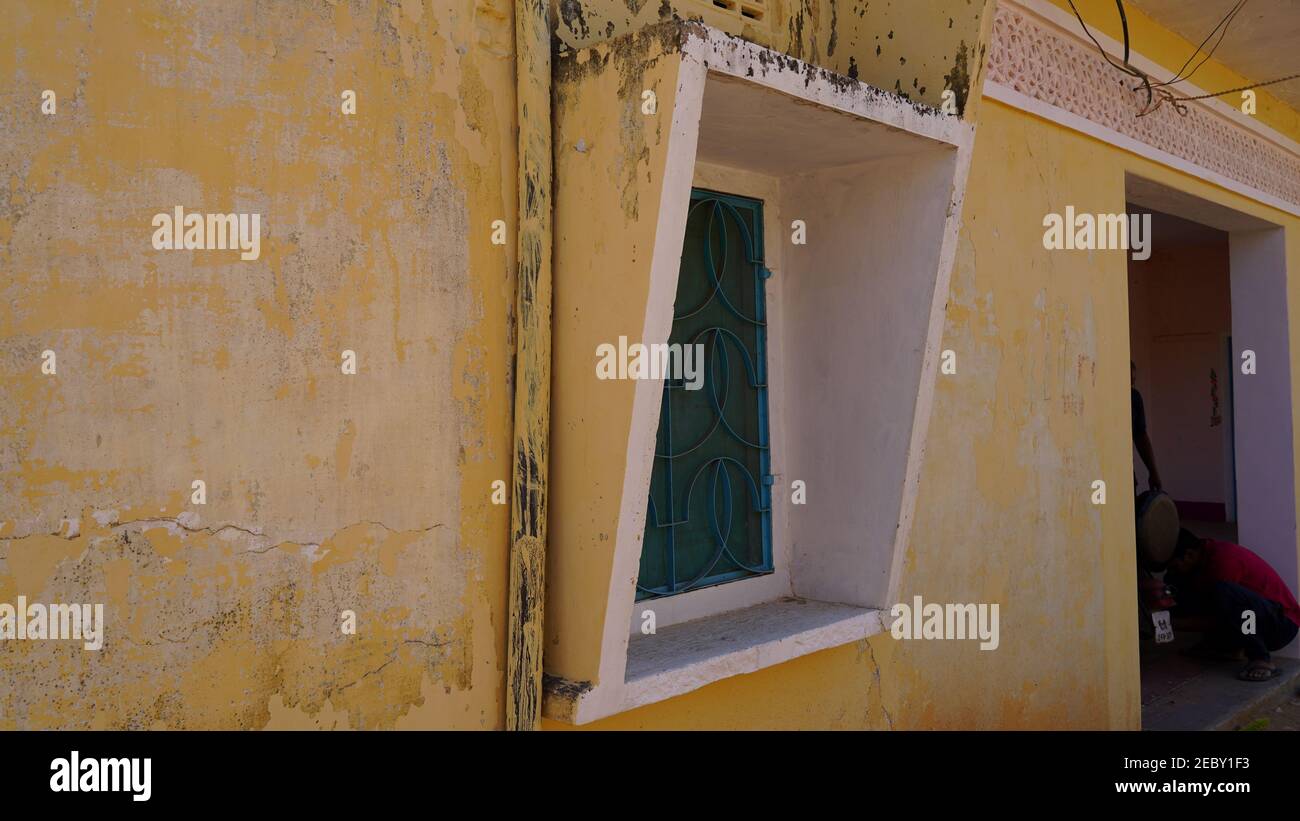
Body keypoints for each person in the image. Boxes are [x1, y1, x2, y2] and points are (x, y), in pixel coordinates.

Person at [1166, 528, 1300, 681]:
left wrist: (1171, 624)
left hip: (1281, 624)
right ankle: (1226, 648)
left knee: (1225, 594)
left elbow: (1217, 615)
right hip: (1253, 617)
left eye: (1175, 566)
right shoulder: (1202, 559)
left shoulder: (1224, 560)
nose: (1174, 571)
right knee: (1175, 584)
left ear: (1189, 555)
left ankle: (1260, 658)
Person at [1132, 361, 1162, 492]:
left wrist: (1153, 472)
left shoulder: (1134, 398)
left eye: (1132, 381)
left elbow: (1141, 437)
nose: (1130, 384)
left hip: (1125, 474)